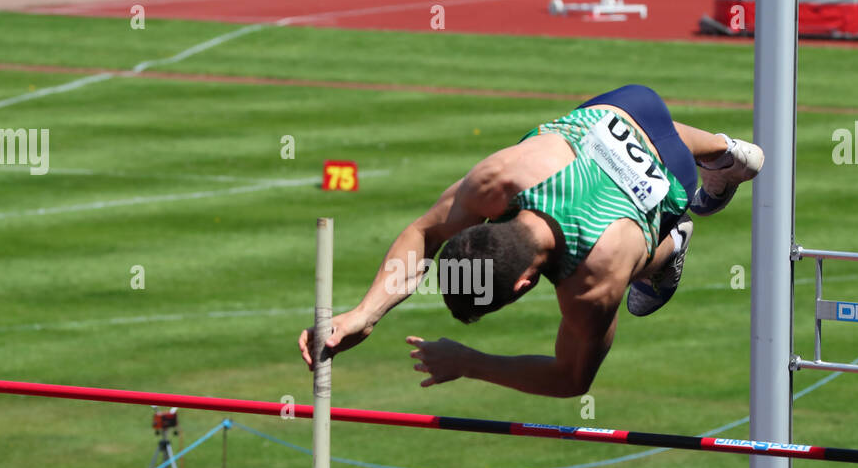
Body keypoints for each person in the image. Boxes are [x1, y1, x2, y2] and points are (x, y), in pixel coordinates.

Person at [298, 86, 764, 398]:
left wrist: (468, 362)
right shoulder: (498, 180)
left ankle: (676, 240)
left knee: (648, 247)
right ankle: (726, 155)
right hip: (631, 104)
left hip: (668, 174)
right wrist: (364, 313)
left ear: (523, 284)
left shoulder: (593, 283)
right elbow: (425, 232)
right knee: (647, 140)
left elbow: (573, 377)